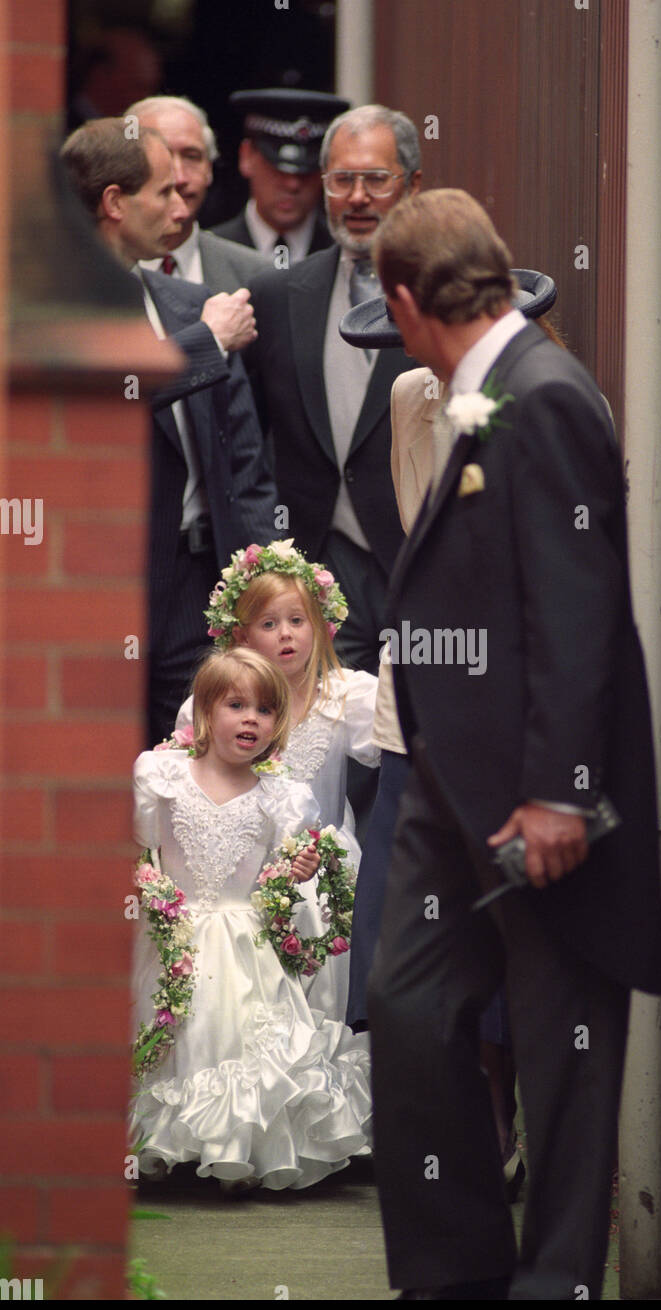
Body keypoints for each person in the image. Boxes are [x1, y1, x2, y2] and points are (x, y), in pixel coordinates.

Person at [366, 189, 661, 1300]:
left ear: (406, 301)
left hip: (540, 808)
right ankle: (451, 1278)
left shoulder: (541, 396)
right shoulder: (478, 391)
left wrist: (555, 795)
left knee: (564, 1064)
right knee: (405, 1014)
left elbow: (577, 610)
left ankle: (552, 1287)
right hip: (448, 793)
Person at [340, 271, 559, 1205]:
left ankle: (500, 1122)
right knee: (402, 938)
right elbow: (413, 525)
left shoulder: (547, 396)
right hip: (413, 704)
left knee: (502, 933)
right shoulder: (407, 395)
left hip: (504, 718)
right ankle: (441, 1128)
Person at [59, 118, 277, 746]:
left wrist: (265, 580)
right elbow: (105, 391)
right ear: (113, 202)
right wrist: (206, 343)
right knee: (100, 763)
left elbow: (244, 464)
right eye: (164, 193)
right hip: (100, 579)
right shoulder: (54, 298)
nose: (182, 209)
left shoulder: (188, 301)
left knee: (195, 769)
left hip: (196, 582)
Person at [131, 647, 372, 1194]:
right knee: (182, 1033)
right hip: (176, 934)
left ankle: (232, 1149)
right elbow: (140, 851)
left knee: (243, 1034)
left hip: (247, 941)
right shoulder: (162, 776)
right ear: (205, 713)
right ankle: (168, 1146)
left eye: (264, 710)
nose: (250, 719)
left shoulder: (282, 798)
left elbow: (279, 876)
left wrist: (299, 868)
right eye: (235, 705)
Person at [243, 104, 422, 679]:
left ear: (413, 185)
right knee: (327, 754)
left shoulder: (446, 297)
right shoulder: (277, 294)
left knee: (410, 747)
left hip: (418, 567)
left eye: (376, 179)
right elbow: (247, 440)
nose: (358, 197)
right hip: (318, 571)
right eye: (342, 180)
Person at [172, 540, 379, 1022]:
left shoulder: (342, 694)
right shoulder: (217, 706)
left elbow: (399, 747)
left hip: (321, 869)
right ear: (241, 637)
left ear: (319, 626)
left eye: (297, 621)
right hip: (241, 869)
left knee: (319, 1005)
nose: (286, 635)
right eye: (269, 624)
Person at [126, 96, 272, 292]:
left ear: (209, 170)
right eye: (161, 157)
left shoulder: (256, 276)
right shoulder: (94, 270)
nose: (179, 177)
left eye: (192, 157)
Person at [210, 88, 348, 264]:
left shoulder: (343, 253)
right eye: (277, 170)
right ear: (246, 157)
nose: (292, 184)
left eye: (305, 171)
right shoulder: (211, 253)